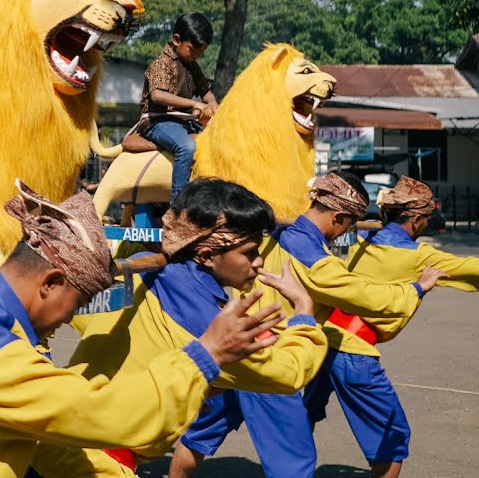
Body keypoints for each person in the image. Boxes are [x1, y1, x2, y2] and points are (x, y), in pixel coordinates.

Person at [0, 181, 285, 478]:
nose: (72, 318)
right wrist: (204, 354)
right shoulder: (3, 363)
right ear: (51, 282)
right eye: (77, 302)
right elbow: (114, 414)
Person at [171, 171, 445, 478]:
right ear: (340, 217)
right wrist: (416, 288)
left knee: (199, 437)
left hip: (235, 347)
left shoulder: (271, 232)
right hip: (271, 360)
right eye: (349, 224)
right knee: (294, 464)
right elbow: (366, 297)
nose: (346, 232)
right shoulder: (315, 257)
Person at [51, 179, 328, 477]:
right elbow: (289, 374)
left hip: (56, 443)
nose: (259, 262)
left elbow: (71, 313)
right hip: (95, 465)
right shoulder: (214, 329)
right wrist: (304, 312)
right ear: (207, 256)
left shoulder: (140, 274)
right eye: (249, 253)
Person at [304, 176, 471, 478]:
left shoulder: (360, 241)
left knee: (306, 415)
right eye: (427, 219)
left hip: (321, 342)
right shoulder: (421, 256)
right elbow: (471, 268)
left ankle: (292, 470)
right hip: (354, 354)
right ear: (417, 219)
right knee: (391, 444)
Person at [139, 12, 219, 200]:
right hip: (157, 121)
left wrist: (213, 103)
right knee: (187, 146)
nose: (196, 55)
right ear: (176, 40)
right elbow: (157, 95)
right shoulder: (162, 62)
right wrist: (194, 103)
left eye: (201, 52)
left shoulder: (191, 64)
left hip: (183, 122)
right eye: (193, 50)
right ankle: (178, 203)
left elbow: (206, 91)